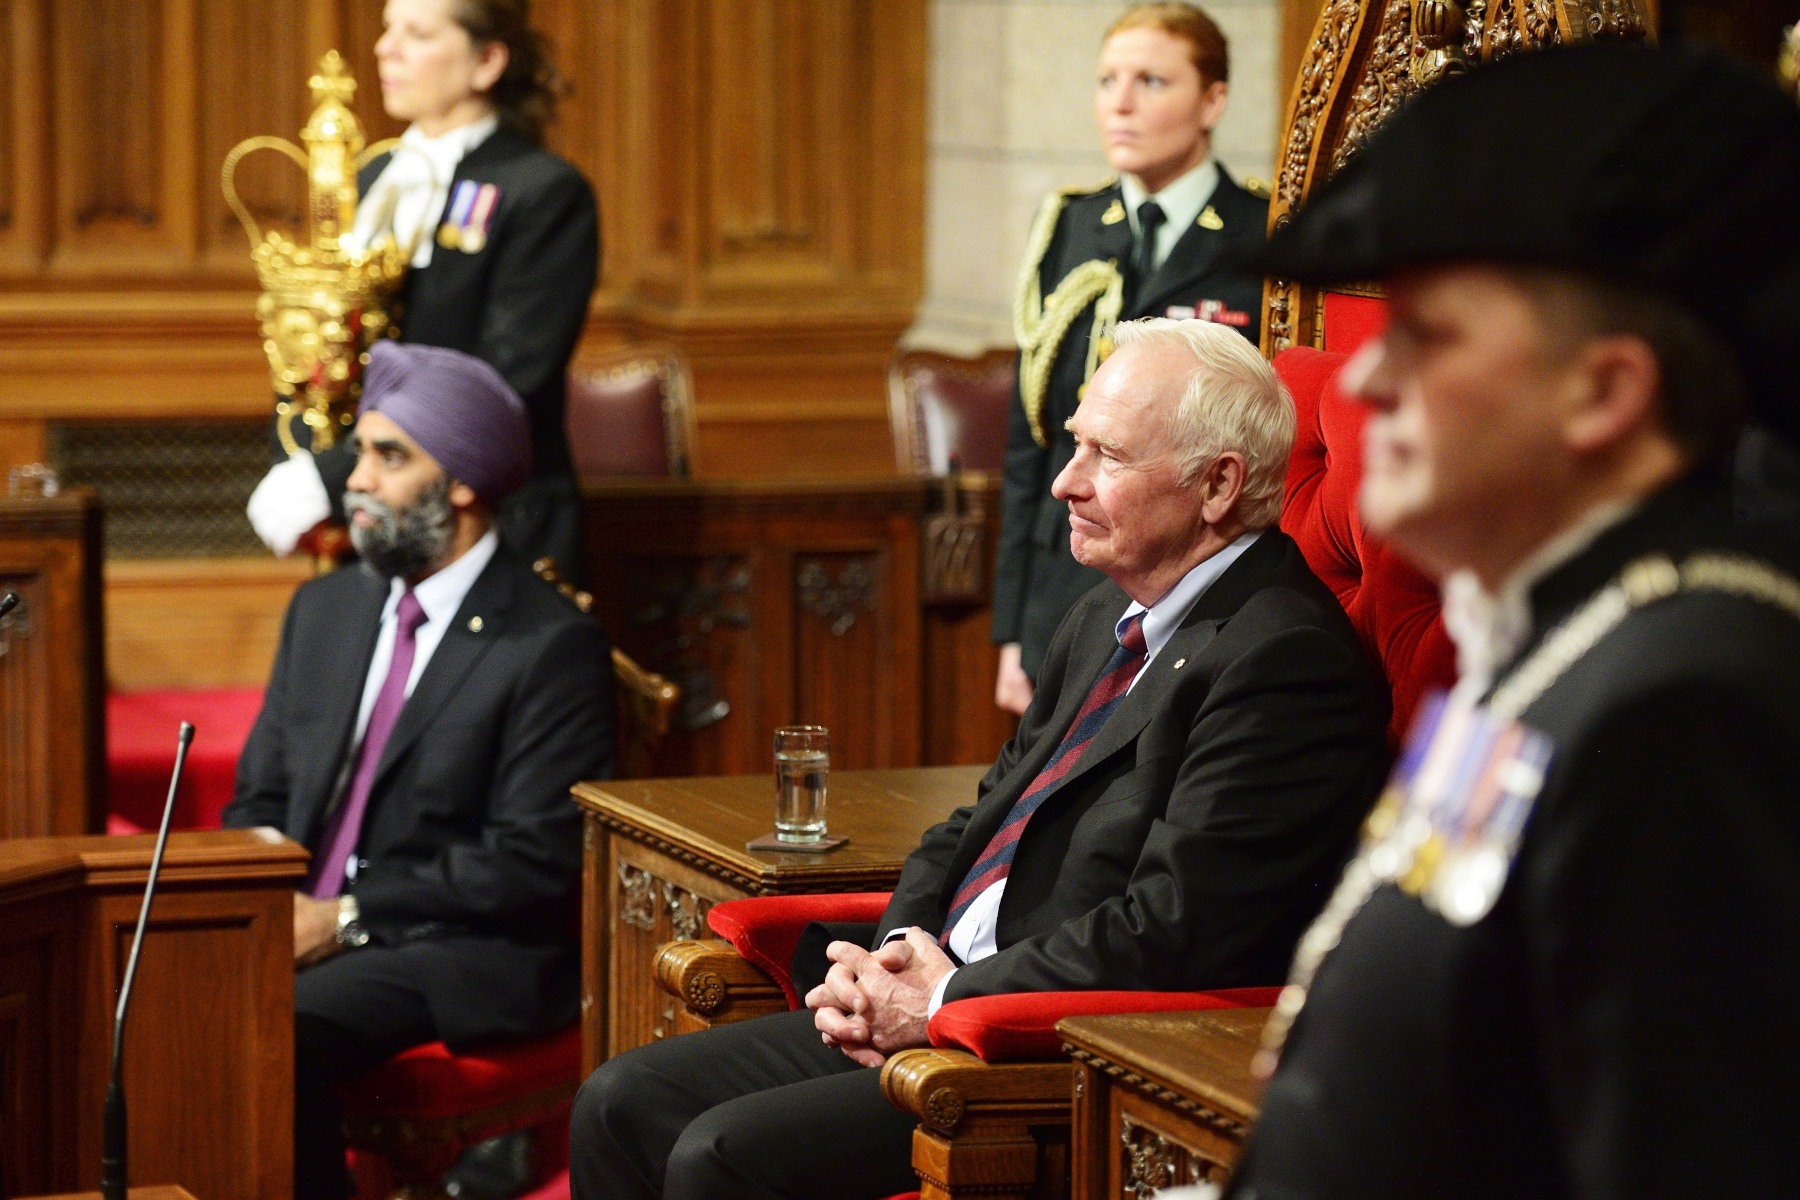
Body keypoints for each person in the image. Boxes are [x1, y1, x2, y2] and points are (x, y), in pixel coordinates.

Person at [568, 318, 1391, 1200]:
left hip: (1043, 1046)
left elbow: (1174, 929)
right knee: (620, 1102)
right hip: (945, 997)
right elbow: (983, 819)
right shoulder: (1102, 617)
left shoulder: (1282, 658)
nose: (1067, 482)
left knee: (717, 1157)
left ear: (1218, 485)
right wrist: (892, 957)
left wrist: (943, 998)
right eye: (1075, 445)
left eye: (1108, 457)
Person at [1225, 44, 1800, 1200]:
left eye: (1425, 334)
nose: (1362, 382)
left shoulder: (1683, 703)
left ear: (1606, 391)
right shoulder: (1554, 638)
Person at [224, 340, 615, 1200]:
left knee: (267, 1027)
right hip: (299, 919)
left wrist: (342, 918)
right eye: (360, 453)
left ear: (462, 484)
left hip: (450, 947)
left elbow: (530, 861)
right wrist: (254, 896)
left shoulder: (550, 645)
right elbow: (260, 797)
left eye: (388, 457)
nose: (356, 480)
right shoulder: (324, 607)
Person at [248, 0, 599, 582]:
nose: (386, 48)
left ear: (487, 62)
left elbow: (501, 384)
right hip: (372, 514)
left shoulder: (543, 192)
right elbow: (321, 343)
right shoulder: (374, 180)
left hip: (487, 527)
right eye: (389, 29)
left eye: (418, 33)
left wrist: (330, 478)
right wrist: (299, 460)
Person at [993, 1, 1268, 716]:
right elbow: (1031, 441)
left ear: (1212, 101)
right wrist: (1013, 629)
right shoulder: (1070, 226)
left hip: (1194, 584)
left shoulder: (1263, 232)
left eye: (1151, 81)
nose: (1120, 103)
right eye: (1107, 80)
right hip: (1065, 581)